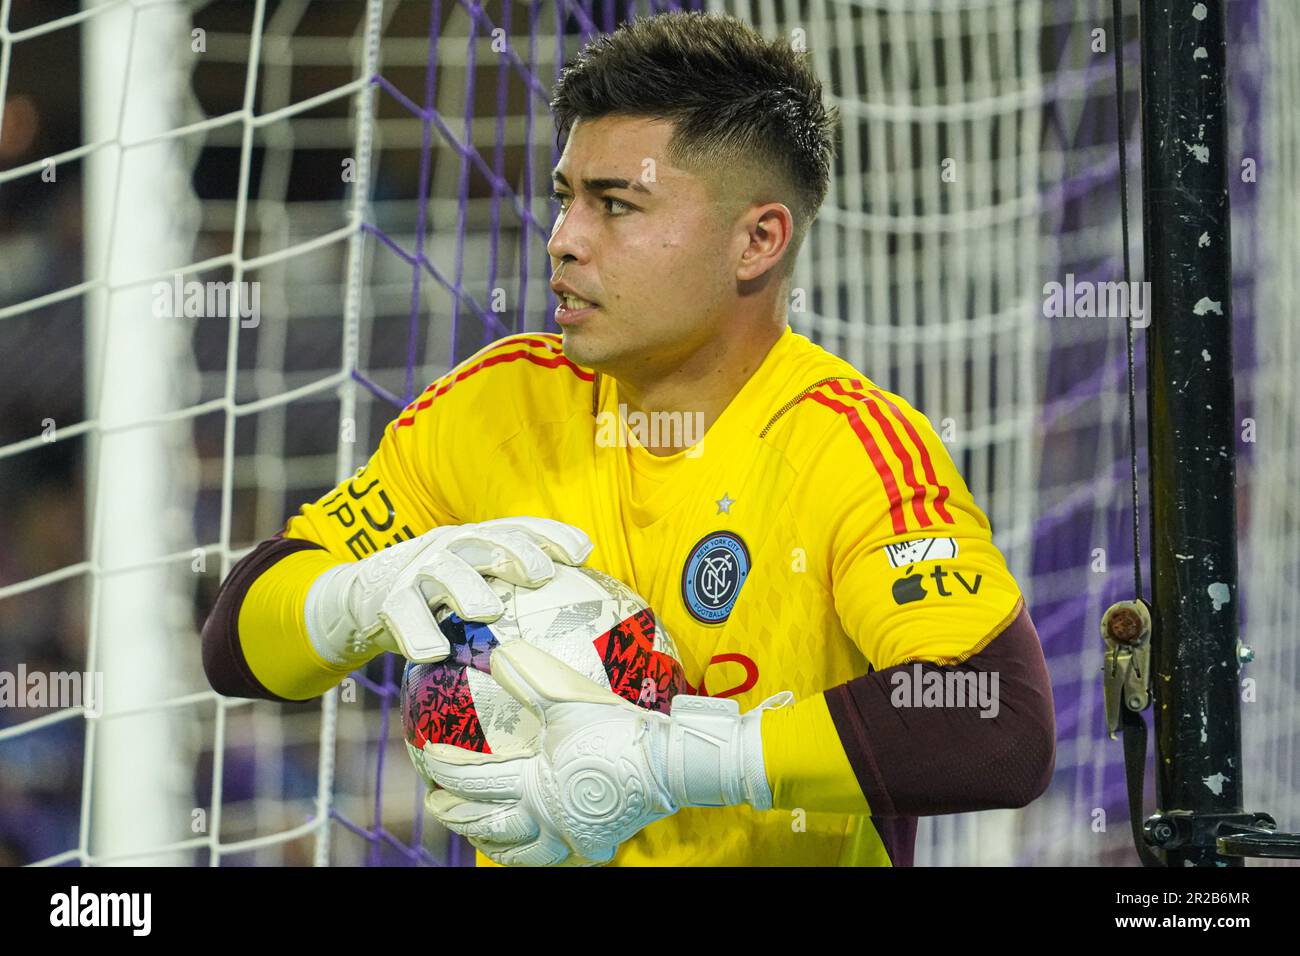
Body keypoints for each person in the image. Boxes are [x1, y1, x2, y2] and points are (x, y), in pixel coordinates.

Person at [202, 10, 1055, 867]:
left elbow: (1000, 723)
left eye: (616, 204)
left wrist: (674, 763)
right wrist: (353, 599)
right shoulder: (497, 404)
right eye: (565, 198)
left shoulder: (848, 448)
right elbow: (238, 647)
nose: (563, 240)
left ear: (757, 240)